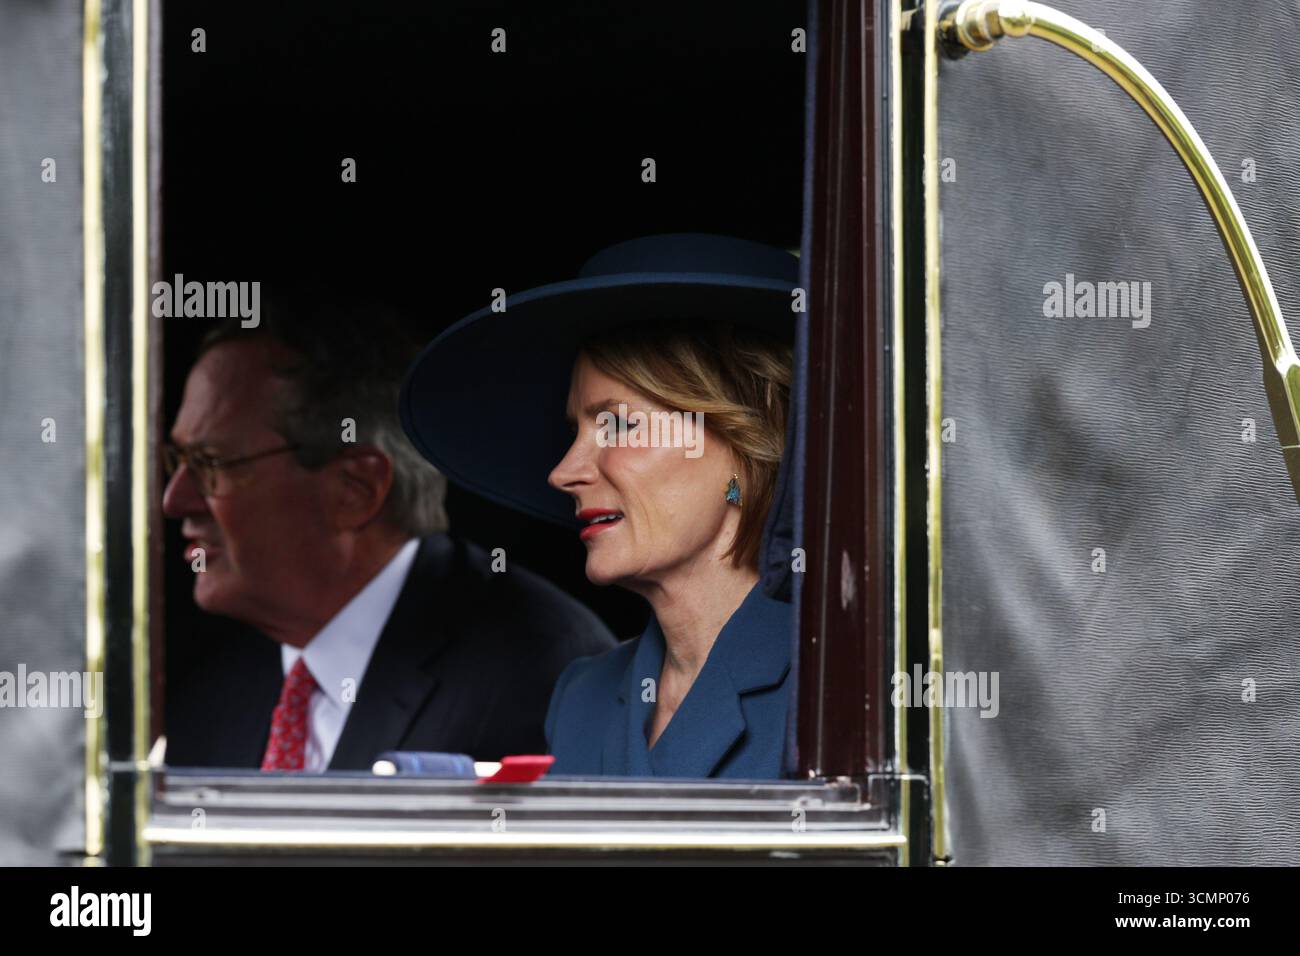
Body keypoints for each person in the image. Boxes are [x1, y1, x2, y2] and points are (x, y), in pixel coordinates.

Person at [400, 234, 796, 778]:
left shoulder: (838, 691)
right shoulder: (583, 699)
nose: (563, 472)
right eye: (575, 429)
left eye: (617, 424)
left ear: (746, 444)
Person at [162, 303, 616, 771]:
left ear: (354, 491)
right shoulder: (203, 687)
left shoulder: (541, 669)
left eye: (211, 464)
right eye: (179, 461)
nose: (175, 501)